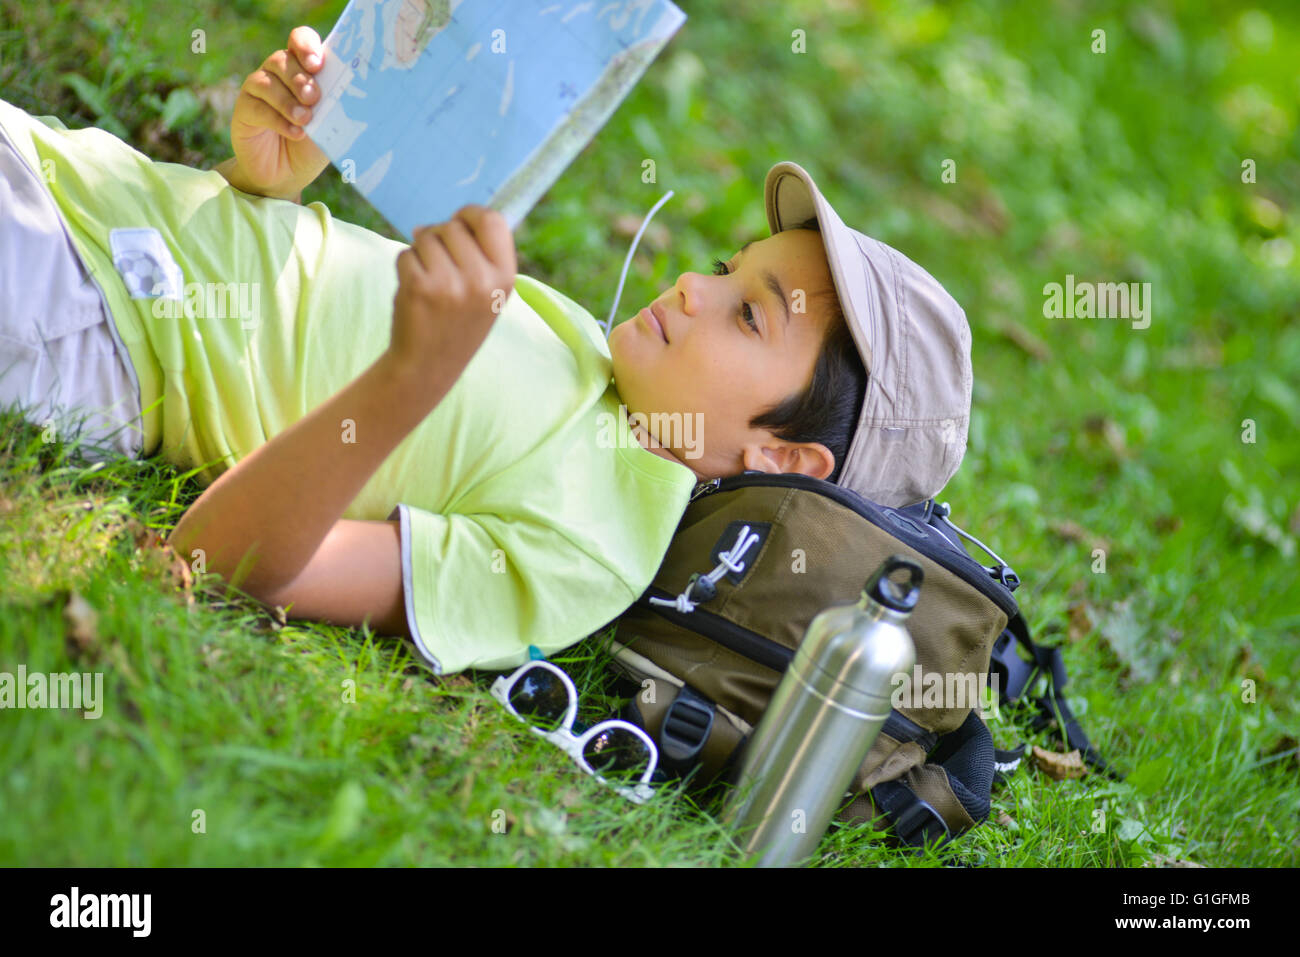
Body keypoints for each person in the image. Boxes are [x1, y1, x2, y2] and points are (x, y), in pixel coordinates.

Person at [0, 26, 973, 675]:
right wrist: (262, 184)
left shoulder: (597, 544)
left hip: (83, 321)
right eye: (727, 267)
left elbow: (230, 563)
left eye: (748, 315)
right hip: (81, 182)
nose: (692, 287)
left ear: (781, 459)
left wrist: (410, 377)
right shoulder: (588, 353)